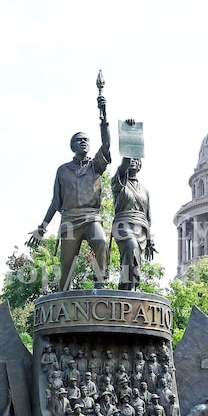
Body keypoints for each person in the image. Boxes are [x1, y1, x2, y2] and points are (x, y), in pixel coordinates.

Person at [28, 92, 112, 290]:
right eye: (78, 140)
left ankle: (100, 284)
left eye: (86, 140)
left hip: (91, 217)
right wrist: (42, 226)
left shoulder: (96, 166)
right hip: (70, 219)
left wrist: (104, 117)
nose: (83, 142)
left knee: (100, 241)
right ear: (72, 146)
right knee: (66, 264)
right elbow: (56, 202)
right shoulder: (63, 170)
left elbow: (106, 145)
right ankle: (62, 295)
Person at [111, 151, 155, 291]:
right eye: (130, 159)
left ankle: (130, 289)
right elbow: (124, 164)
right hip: (122, 225)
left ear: (140, 164)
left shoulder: (145, 190)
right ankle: (125, 287)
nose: (133, 161)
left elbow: (147, 217)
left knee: (135, 259)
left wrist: (149, 241)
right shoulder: (119, 182)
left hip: (140, 229)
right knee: (131, 246)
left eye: (136, 159)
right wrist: (130, 147)